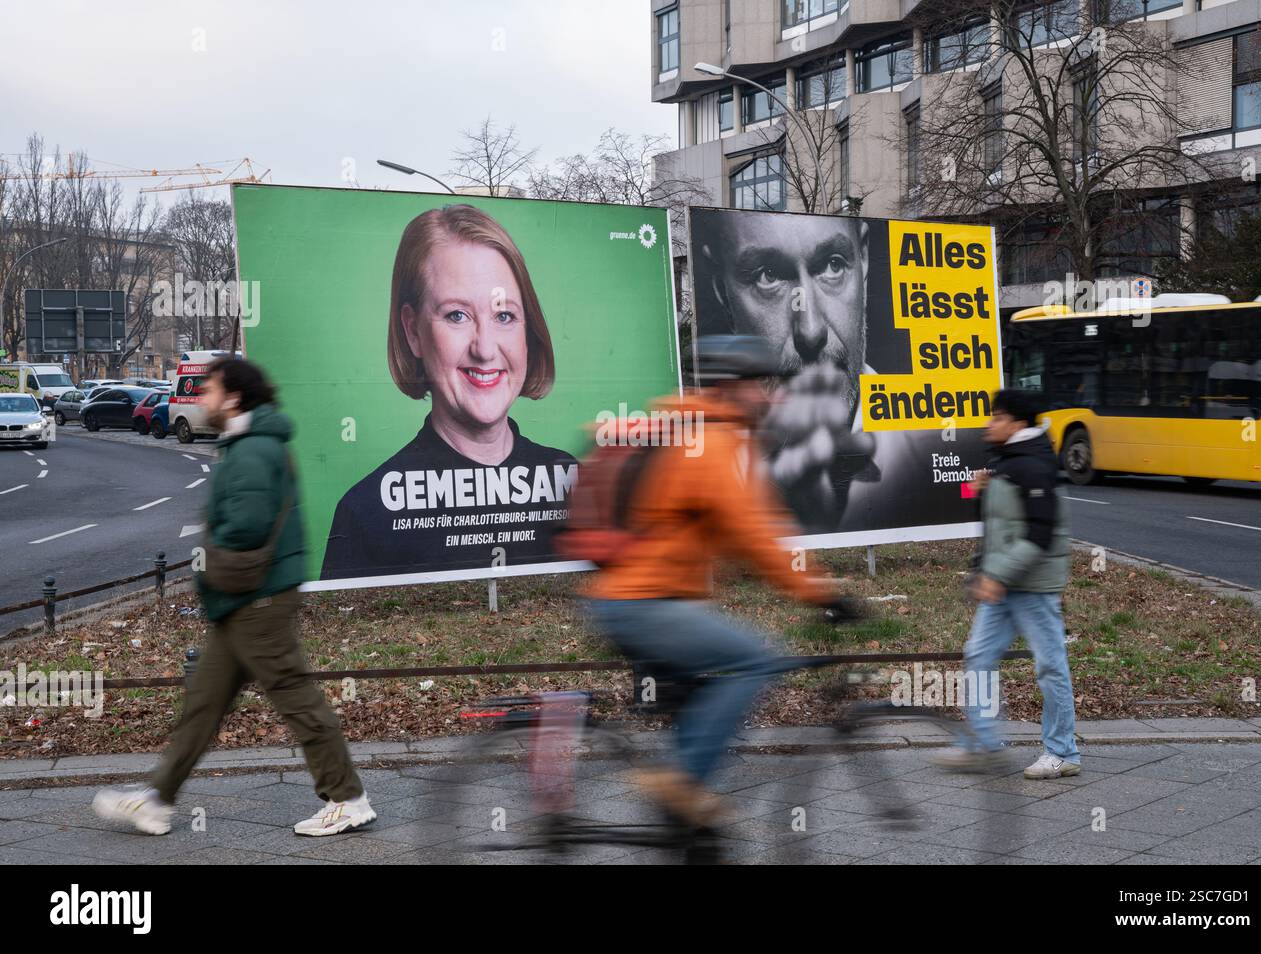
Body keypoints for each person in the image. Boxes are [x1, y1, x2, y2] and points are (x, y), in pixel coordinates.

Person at [582, 335, 861, 825]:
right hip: (644, 604)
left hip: (637, 600)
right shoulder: (710, 444)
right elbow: (752, 535)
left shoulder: (692, 429)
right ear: (732, 387)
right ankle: (682, 785)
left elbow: (729, 537)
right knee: (756, 660)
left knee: (702, 697)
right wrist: (823, 593)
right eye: (761, 385)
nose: (771, 397)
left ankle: (684, 830)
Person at [93, 357, 376, 836]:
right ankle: (157, 801)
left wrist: (212, 546)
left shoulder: (252, 450)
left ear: (235, 398)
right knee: (203, 704)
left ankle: (347, 798)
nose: (201, 399)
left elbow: (246, 524)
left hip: (257, 598)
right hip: (245, 599)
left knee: (295, 696)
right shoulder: (250, 444)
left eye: (209, 390)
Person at [321, 204, 578, 581]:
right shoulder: (366, 513)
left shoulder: (573, 483)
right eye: (457, 315)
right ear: (413, 331)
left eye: (503, 316)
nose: (485, 349)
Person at [693, 208, 987, 535]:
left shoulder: (946, 450)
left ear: (862, 259)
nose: (810, 330)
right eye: (767, 276)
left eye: (833, 265)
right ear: (721, 288)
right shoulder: (701, 479)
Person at [933, 388, 1081, 779]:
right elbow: (1000, 526)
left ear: (1016, 424)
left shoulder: (1034, 466)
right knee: (979, 657)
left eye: (997, 417)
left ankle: (1063, 752)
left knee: (1050, 667)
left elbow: (1040, 533)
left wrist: (996, 575)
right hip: (1003, 583)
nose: (989, 423)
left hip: (1033, 585)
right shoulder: (1009, 460)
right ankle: (982, 744)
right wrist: (982, 495)